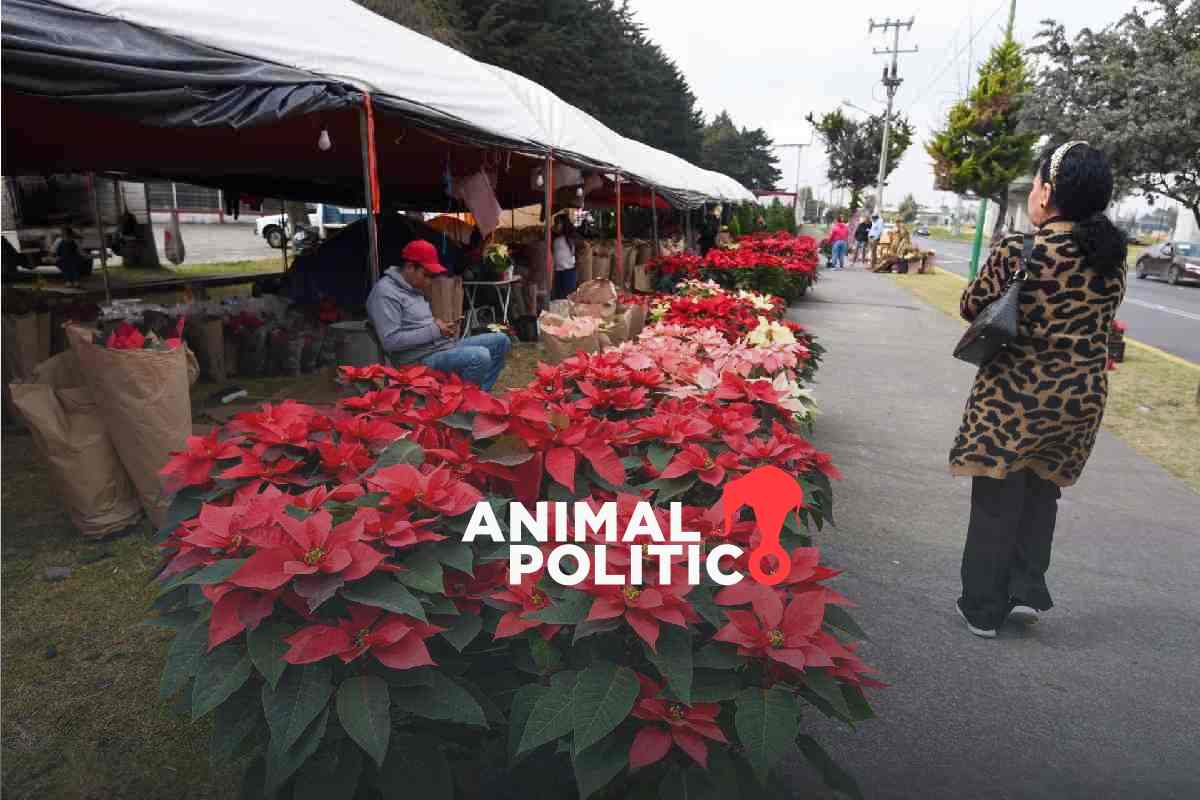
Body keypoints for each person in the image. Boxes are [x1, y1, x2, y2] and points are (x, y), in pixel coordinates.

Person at [950, 141, 1127, 638]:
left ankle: (982, 608)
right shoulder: (1111, 257)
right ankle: (1025, 590)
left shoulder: (1021, 249)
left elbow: (973, 305)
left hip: (1015, 399)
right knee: (1040, 494)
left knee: (996, 500)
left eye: (1034, 186)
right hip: (1079, 398)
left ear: (1047, 194)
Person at [367, 239, 511, 390]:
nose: (429, 282)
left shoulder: (411, 286)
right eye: (426, 275)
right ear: (410, 267)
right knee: (479, 356)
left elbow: (418, 324)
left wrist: (440, 327)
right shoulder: (385, 294)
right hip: (416, 361)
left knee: (501, 341)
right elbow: (391, 341)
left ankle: (479, 396)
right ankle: (464, 408)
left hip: (439, 348)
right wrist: (435, 330)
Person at [551, 214, 577, 300]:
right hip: (558, 271)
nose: (555, 225)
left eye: (557, 223)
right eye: (555, 223)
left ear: (564, 224)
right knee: (559, 297)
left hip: (568, 272)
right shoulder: (556, 239)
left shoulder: (569, 238)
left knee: (568, 297)